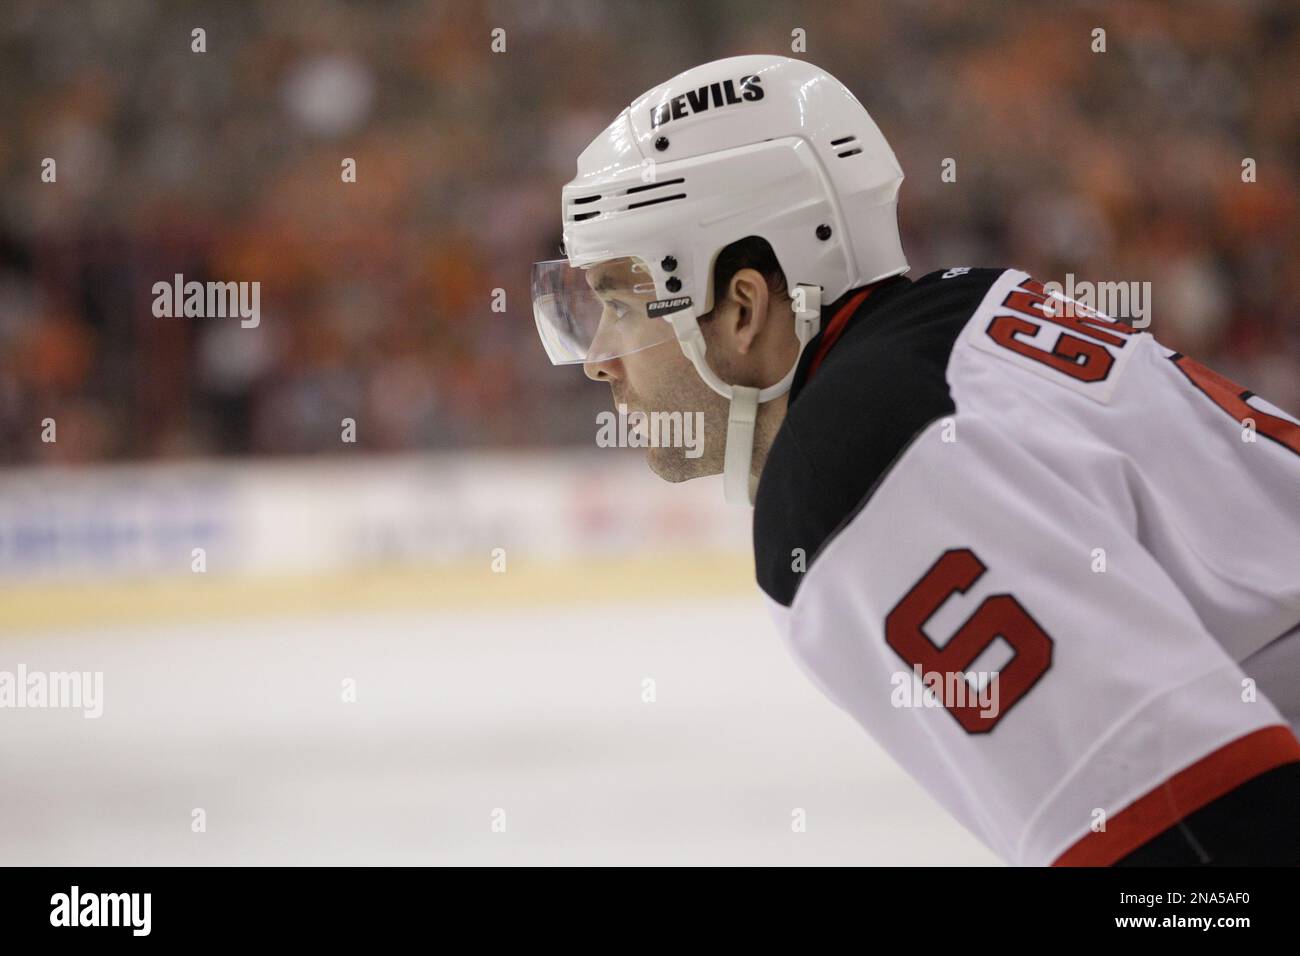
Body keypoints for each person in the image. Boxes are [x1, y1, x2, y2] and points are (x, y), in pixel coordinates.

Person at [530, 54, 1300, 865]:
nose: (598, 357)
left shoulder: (862, 456)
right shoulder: (966, 316)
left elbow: (1202, 845)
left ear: (743, 306)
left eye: (620, 301)